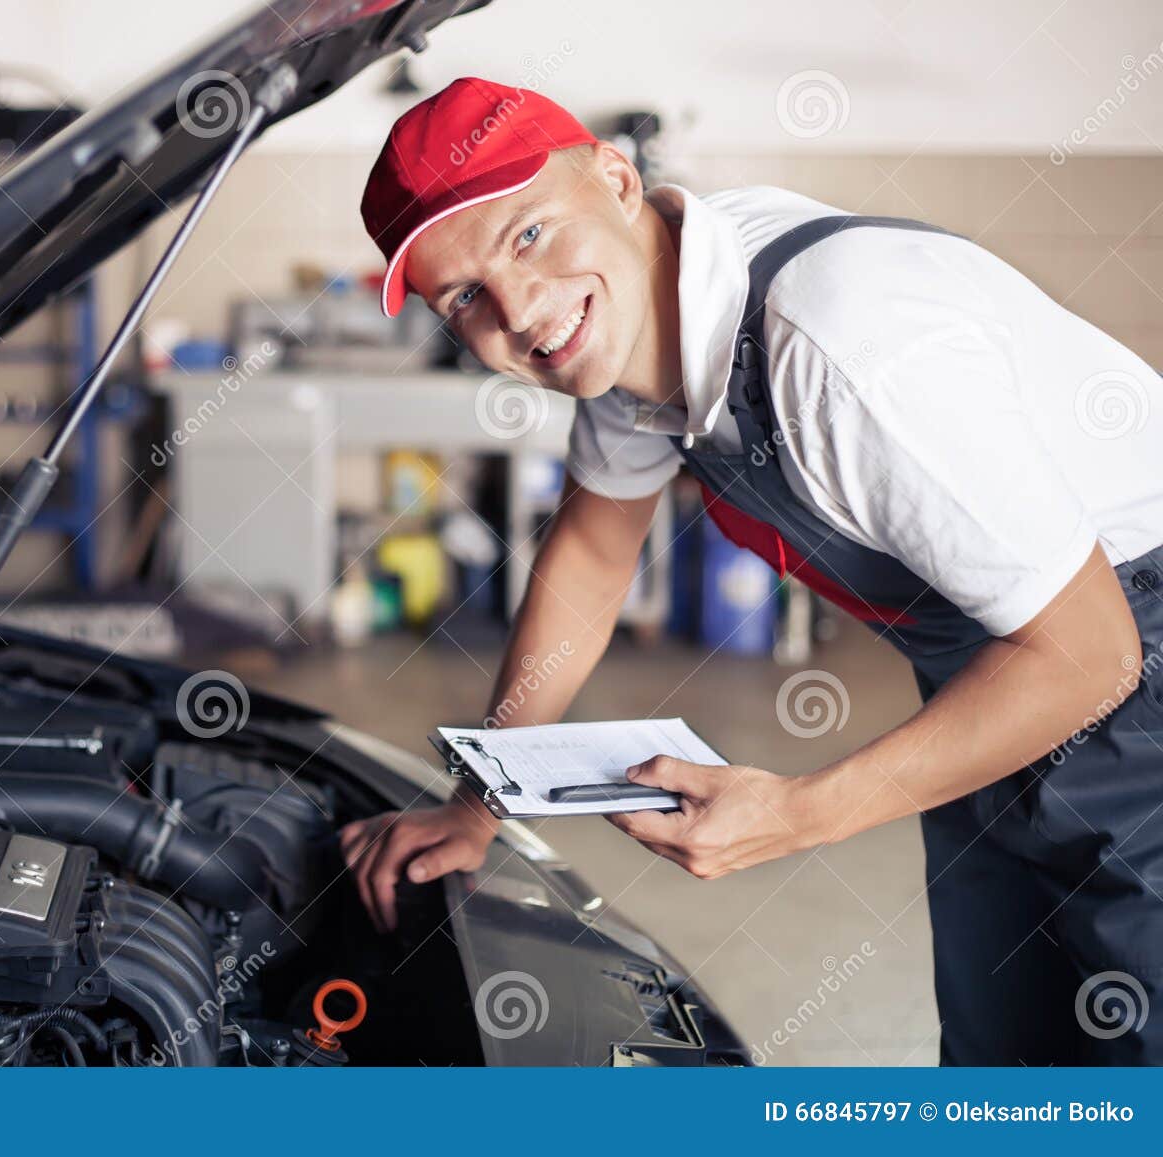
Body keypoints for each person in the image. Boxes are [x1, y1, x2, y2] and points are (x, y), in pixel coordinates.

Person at [339, 77, 1163, 1064]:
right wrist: (479, 800)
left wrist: (799, 812)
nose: (520, 311)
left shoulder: (839, 346)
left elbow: (1091, 653)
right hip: (1002, 677)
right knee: (1008, 1051)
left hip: (1118, 661)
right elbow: (592, 560)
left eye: (527, 235)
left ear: (615, 175)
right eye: (463, 295)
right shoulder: (630, 332)